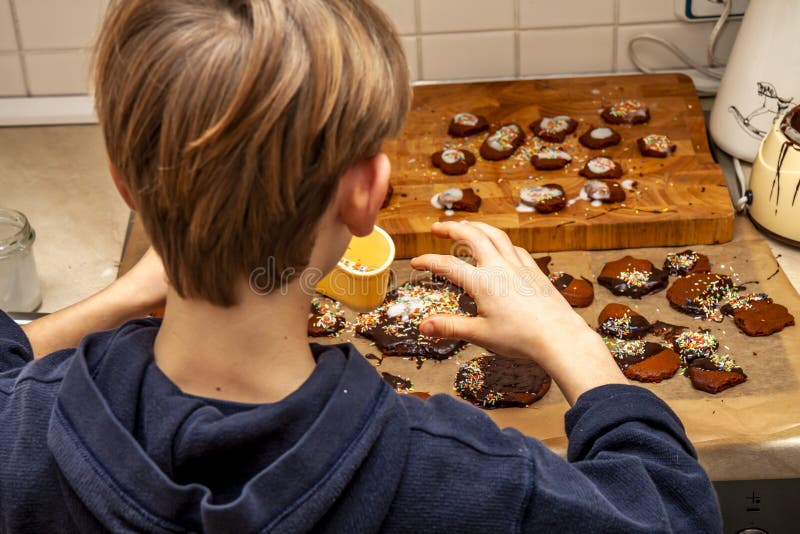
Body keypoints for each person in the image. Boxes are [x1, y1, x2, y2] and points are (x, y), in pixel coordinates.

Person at [0, 0, 722, 531]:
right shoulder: (465, 479)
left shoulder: (24, 429)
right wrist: (570, 342)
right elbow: (670, 511)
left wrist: (121, 297)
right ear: (367, 196)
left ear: (123, 183)